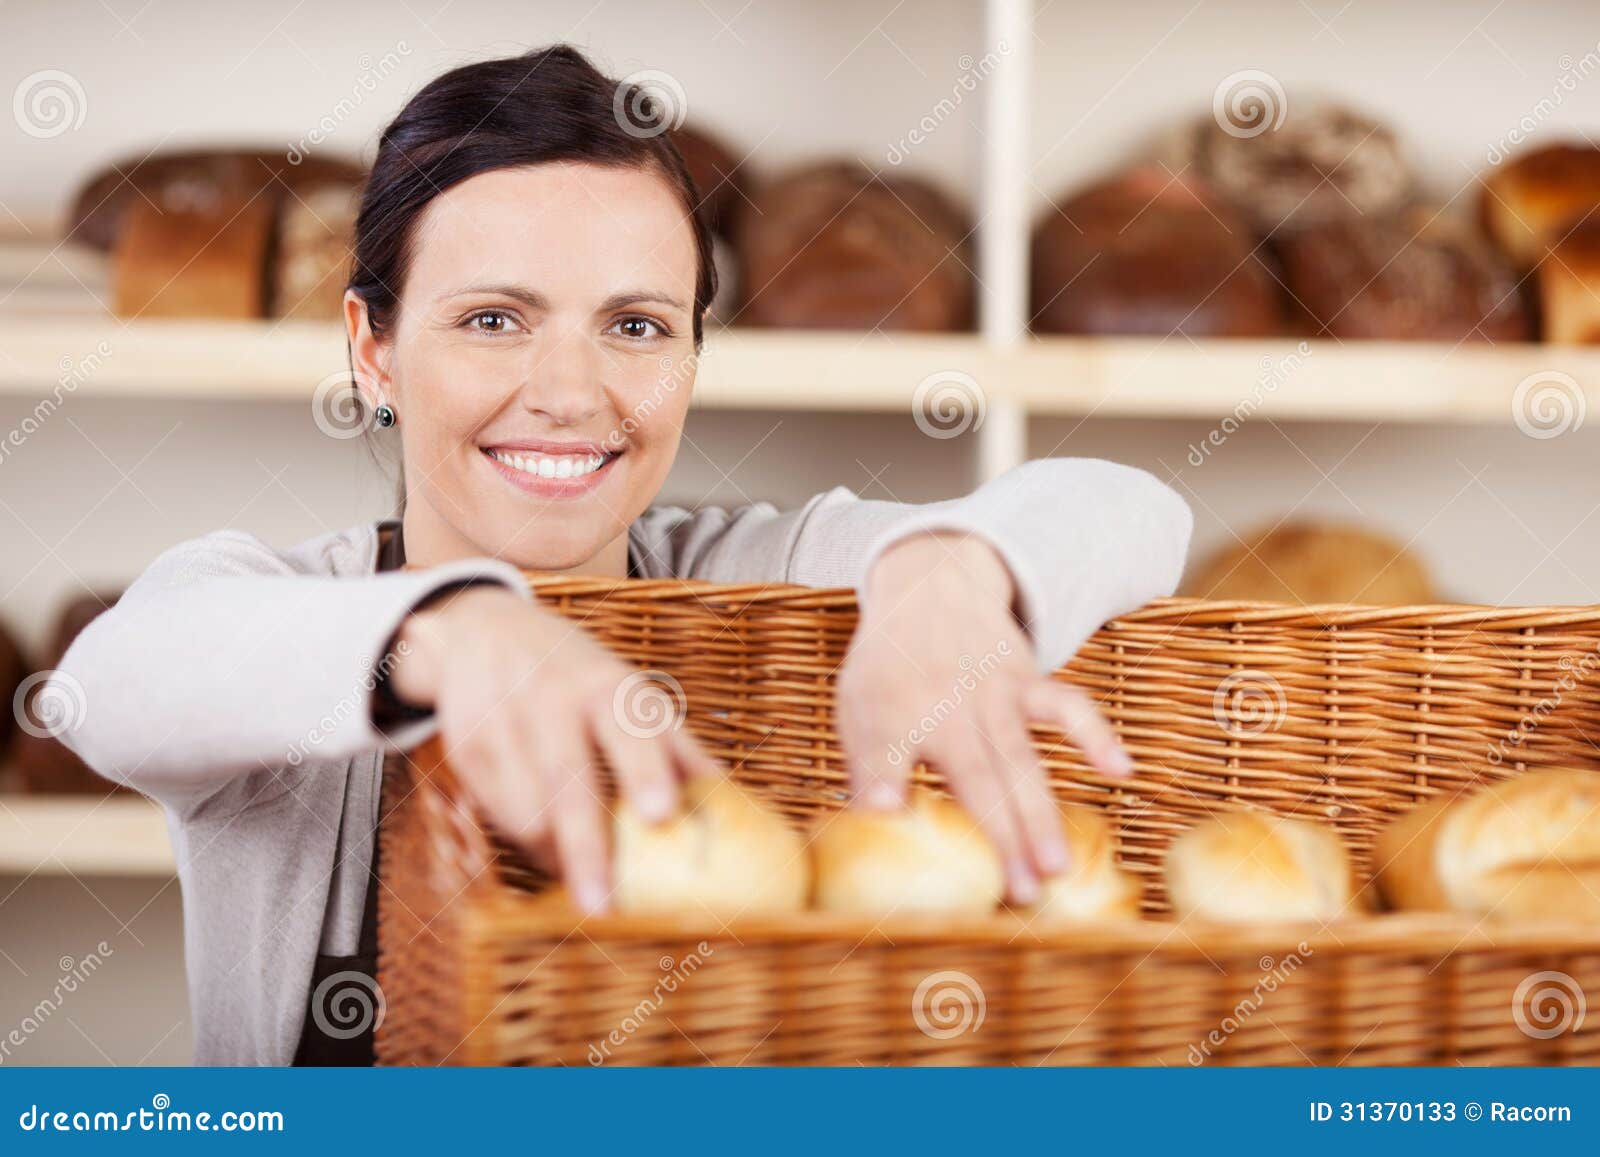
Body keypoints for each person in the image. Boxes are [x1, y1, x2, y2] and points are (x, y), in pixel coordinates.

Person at [48, 44, 1192, 1066]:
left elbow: (1134, 509)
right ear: (373, 351)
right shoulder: (286, 610)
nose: (567, 393)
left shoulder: (765, 572)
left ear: (695, 350)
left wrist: (949, 573)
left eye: (636, 325)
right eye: (493, 318)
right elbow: (112, 683)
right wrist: (453, 628)